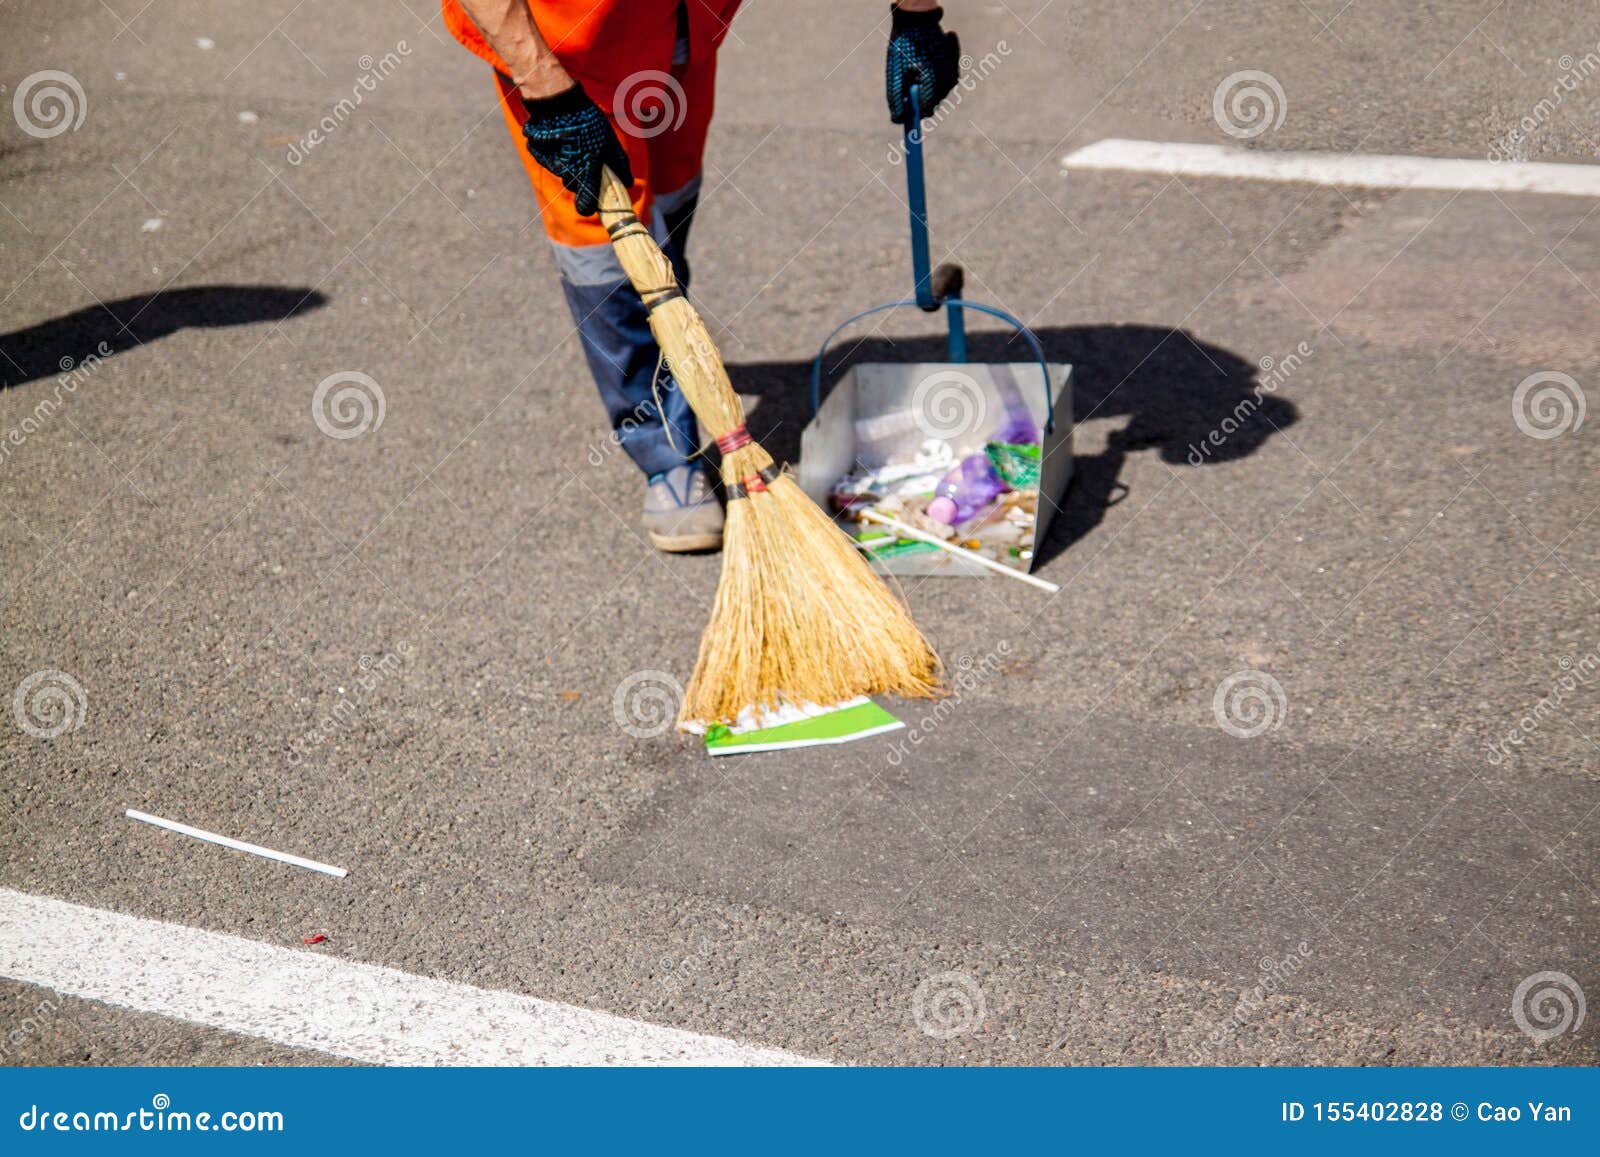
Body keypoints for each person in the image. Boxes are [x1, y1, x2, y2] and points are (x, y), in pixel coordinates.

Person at [442, 1, 961, 551]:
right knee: (599, 240)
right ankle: (664, 451)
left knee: (672, 194)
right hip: (566, 41)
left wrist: (916, 14)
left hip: (685, 20)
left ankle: (678, 362)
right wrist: (547, 89)